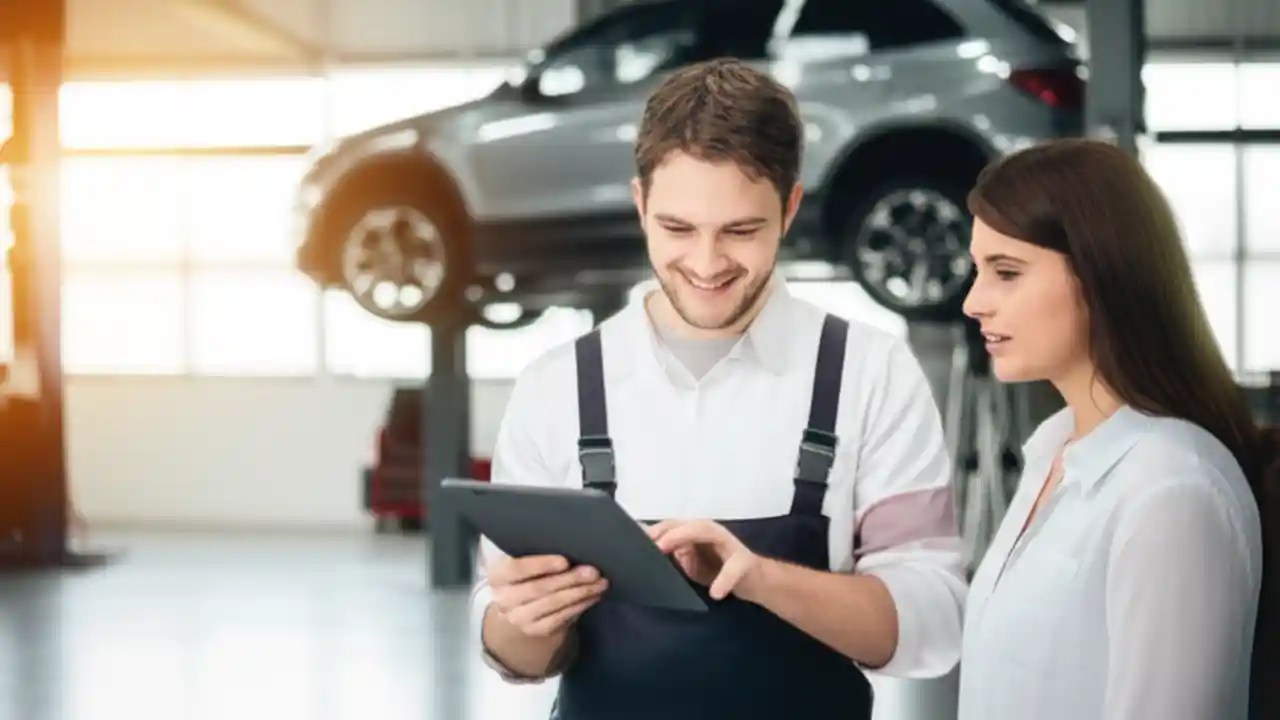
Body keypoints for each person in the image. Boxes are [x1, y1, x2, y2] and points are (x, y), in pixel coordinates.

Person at [469, 58, 967, 719]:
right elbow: (513, 645)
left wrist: (761, 579)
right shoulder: (555, 387)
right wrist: (525, 625)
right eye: (677, 229)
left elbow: (935, 625)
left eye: (740, 230)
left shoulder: (869, 374)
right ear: (641, 203)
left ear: (789, 207)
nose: (706, 264)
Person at [956, 137, 1277, 720]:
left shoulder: (1173, 489)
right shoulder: (1053, 451)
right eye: (978, 270)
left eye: (1007, 272)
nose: (974, 302)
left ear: (1100, 273)